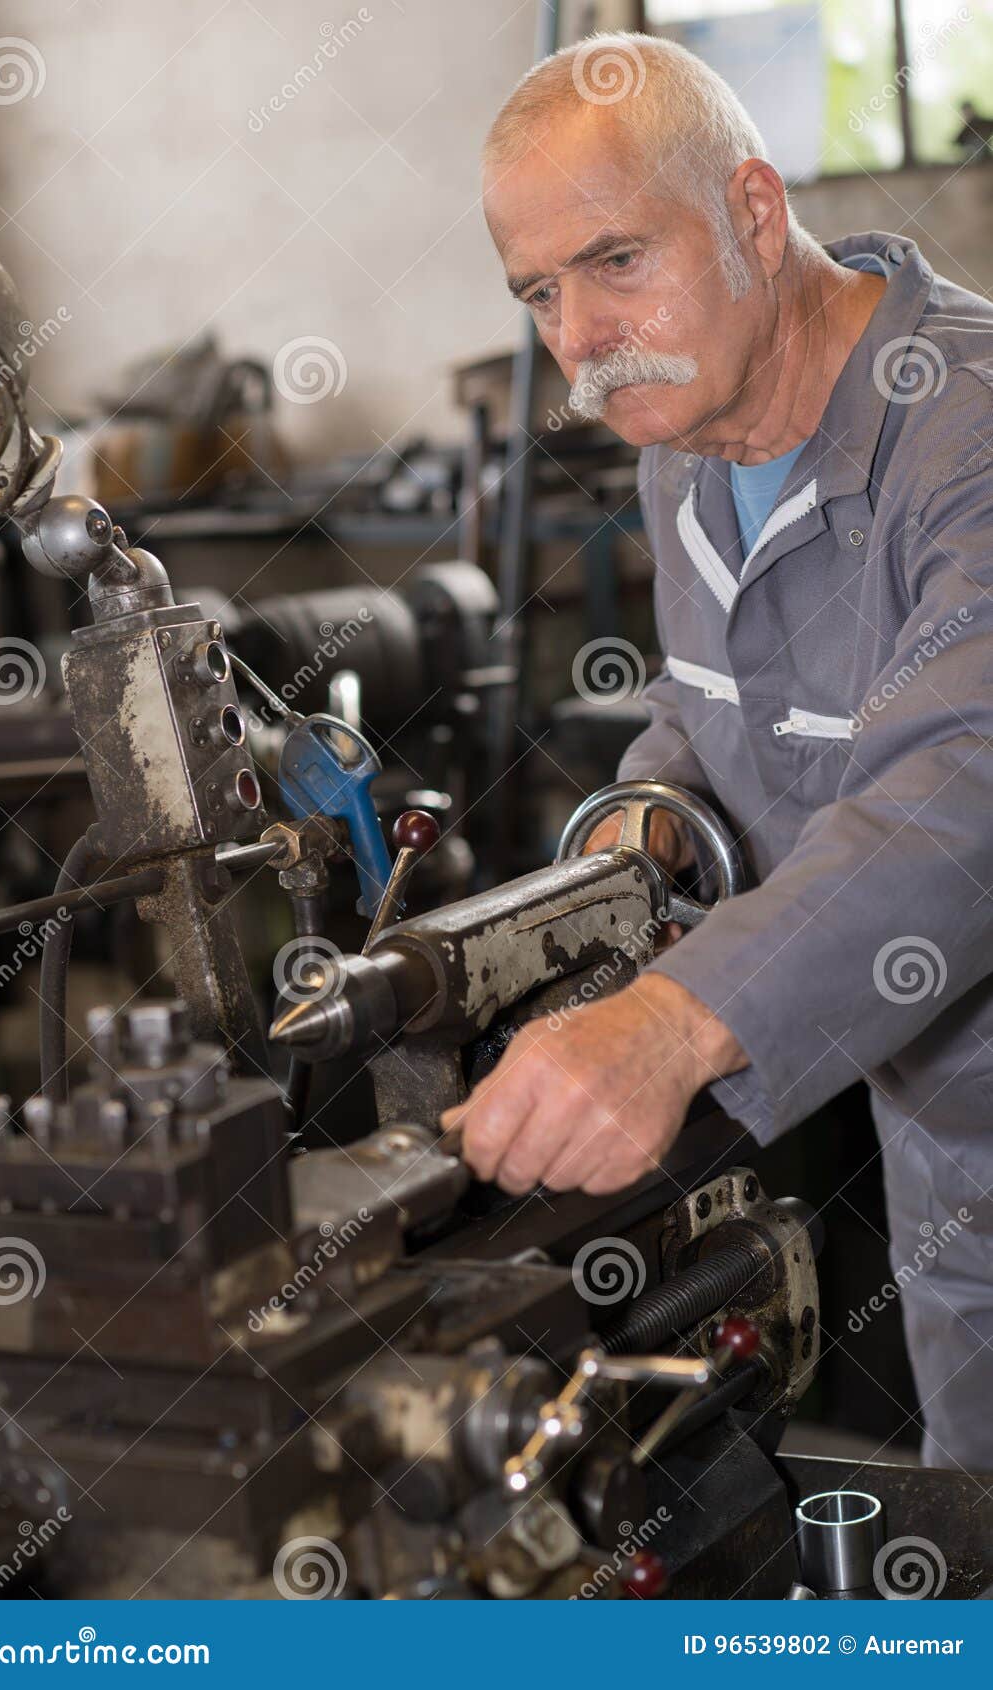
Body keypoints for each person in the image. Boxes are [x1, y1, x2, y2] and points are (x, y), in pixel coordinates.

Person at [442, 32, 993, 1471]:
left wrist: (670, 1025)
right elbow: (713, 707)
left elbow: (961, 795)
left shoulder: (972, 430)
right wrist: (654, 822)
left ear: (755, 212)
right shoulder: (682, 439)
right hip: (952, 1160)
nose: (581, 335)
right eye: (540, 293)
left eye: (617, 259)